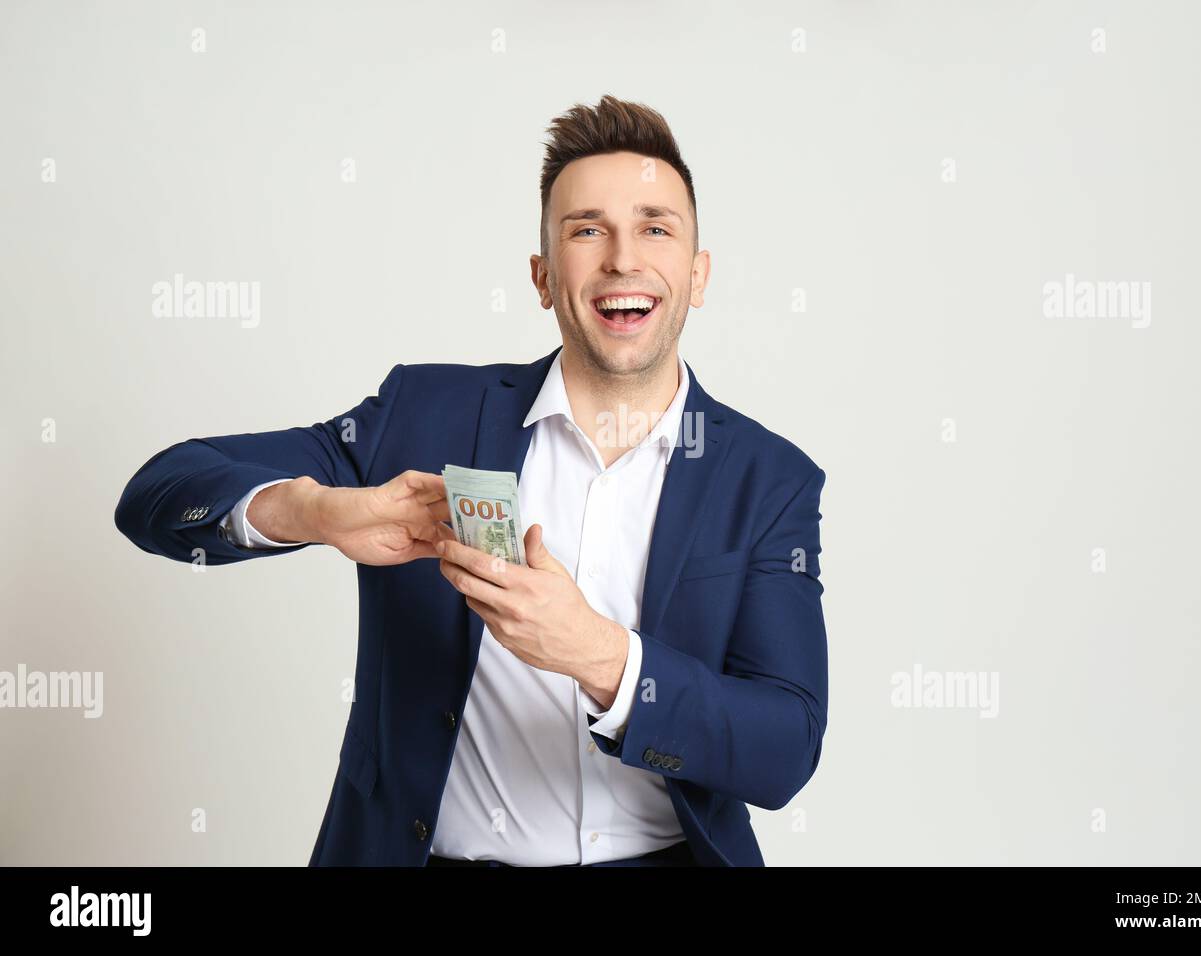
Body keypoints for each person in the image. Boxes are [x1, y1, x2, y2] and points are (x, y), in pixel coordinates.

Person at [114, 95, 828, 867]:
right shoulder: (424, 417)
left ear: (696, 275)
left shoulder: (770, 480)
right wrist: (314, 511)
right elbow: (159, 491)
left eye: (655, 227)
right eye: (586, 230)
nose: (623, 258)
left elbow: (784, 747)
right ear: (544, 276)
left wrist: (601, 657)